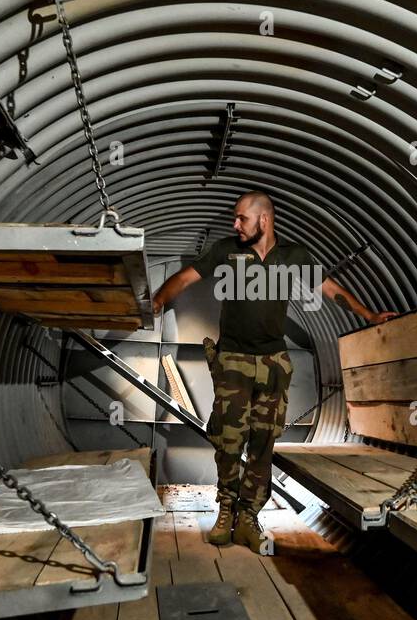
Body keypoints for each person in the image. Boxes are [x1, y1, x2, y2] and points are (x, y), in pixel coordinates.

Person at [151, 190, 397, 552]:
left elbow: (330, 289)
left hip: (273, 364)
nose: (235, 225)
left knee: (263, 444)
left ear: (263, 220)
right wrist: (157, 299)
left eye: (241, 219)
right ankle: (226, 511)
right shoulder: (226, 250)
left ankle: (249, 517)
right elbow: (185, 278)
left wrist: (368, 316)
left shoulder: (293, 256)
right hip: (233, 361)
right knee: (228, 442)